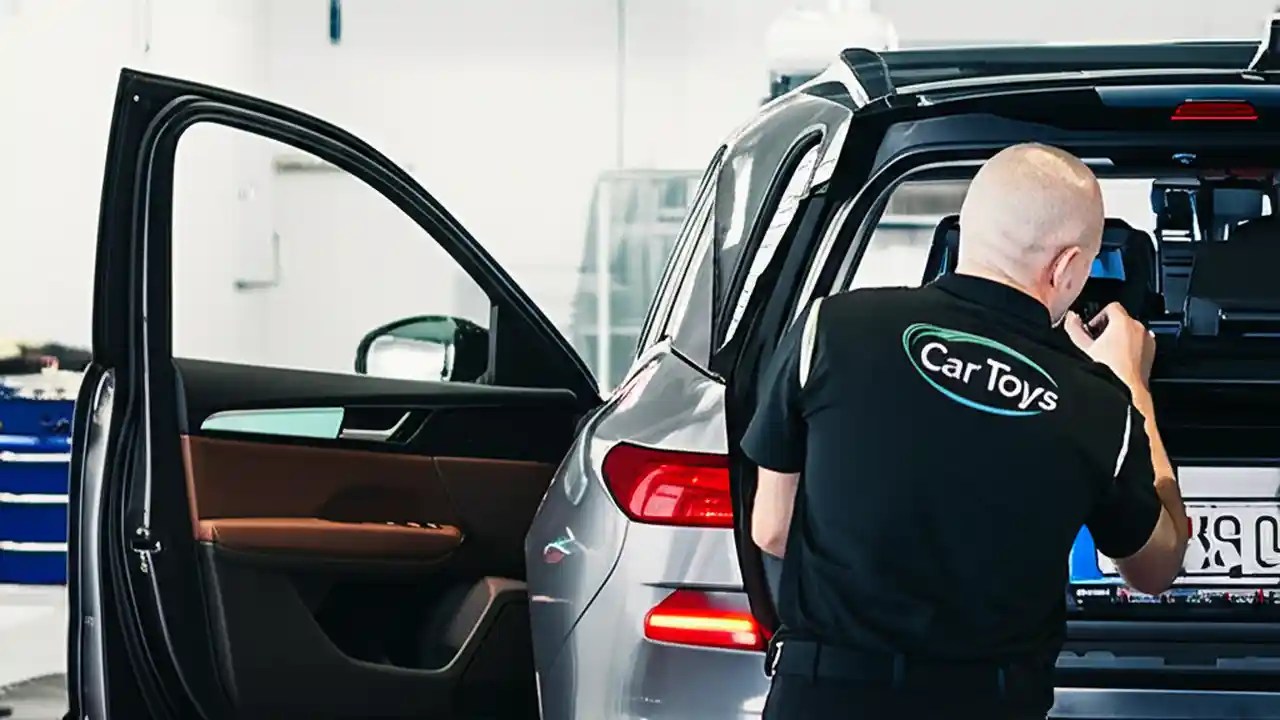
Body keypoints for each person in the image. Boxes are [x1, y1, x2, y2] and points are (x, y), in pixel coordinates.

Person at [742, 143, 1189, 719]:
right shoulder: (1097, 402)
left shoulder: (828, 328)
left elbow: (774, 529)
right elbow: (1157, 568)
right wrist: (1132, 382)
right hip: (985, 703)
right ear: (1068, 266)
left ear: (965, 230)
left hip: (821, 695)